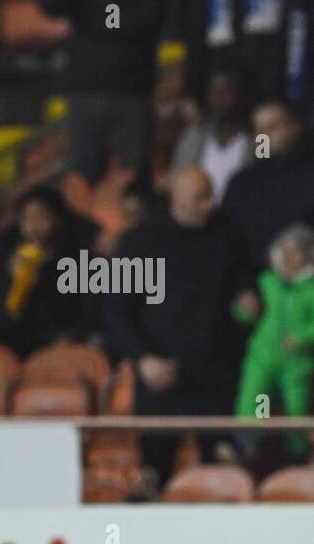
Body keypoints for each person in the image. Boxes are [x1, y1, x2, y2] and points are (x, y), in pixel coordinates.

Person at [104, 166, 250, 484]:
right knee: (155, 471)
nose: (209, 204)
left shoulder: (228, 234)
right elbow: (115, 312)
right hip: (161, 379)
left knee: (223, 471)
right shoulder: (138, 243)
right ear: (176, 198)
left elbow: (246, 283)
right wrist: (143, 359)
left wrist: (247, 300)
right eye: (200, 197)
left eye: (211, 195)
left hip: (216, 378)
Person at [39, 0, 169, 185]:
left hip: (131, 91)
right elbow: (50, 4)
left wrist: (107, 20)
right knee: (81, 178)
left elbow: (152, 16)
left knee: (133, 180)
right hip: (85, 90)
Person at [0, 184, 99, 356]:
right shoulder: (6, 258)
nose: (33, 225)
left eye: (40, 217)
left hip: (63, 345)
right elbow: (3, 318)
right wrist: (17, 281)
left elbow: (86, 310)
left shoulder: (75, 259)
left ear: (57, 219)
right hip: (16, 347)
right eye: (27, 218)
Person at [233, 223, 314, 454]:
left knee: (297, 409)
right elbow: (248, 312)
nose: (287, 258)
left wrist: (301, 338)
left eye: (293, 252)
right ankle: (251, 447)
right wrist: (243, 309)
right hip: (264, 357)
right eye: (284, 251)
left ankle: (298, 452)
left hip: (298, 364)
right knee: (258, 399)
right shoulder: (267, 282)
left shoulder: (310, 289)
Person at [220, 100, 314, 275]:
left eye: (271, 127)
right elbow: (228, 242)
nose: (262, 136)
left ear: (294, 128)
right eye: (258, 129)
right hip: (254, 286)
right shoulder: (241, 184)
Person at [171, 65, 253, 203]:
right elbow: (178, 177)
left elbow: (265, 175)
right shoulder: (194, 134)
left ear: (241, 94)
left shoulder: (261, 137)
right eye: (215, 91)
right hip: (198, 215)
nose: (219, 98)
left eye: (227, 91)